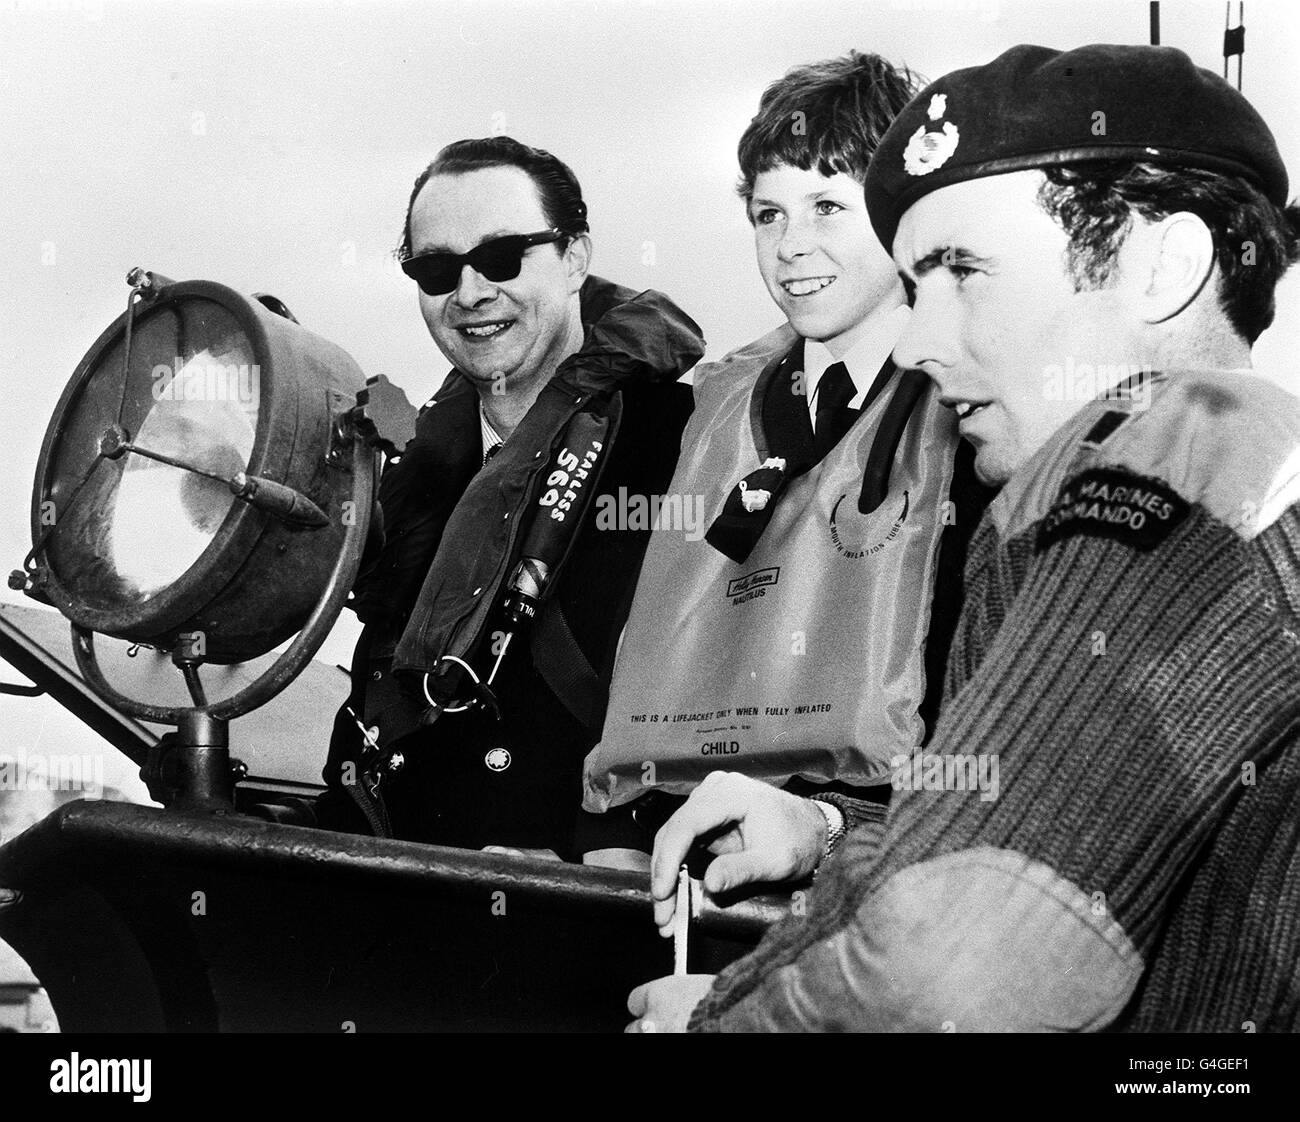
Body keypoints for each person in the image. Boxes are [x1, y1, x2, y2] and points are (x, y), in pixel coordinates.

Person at [629, 42, 1300, 1032]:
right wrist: (827, 827)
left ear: (1165, 264)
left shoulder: (1169, 448)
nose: (913, 339)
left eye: (960, 271)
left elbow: (961, 974)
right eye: (913, 281)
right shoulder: (1217, 475)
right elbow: (1064, 827)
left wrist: (723, 1021)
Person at [580, 51, 993, 863]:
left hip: (874, 863)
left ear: (901, 213)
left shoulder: (972, 418)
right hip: (677, 855)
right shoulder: (703, 415)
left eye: (827, 207)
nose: (791, 247)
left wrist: (835, 830)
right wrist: (611, 838)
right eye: (769, 216)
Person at [315, 137, 704, 860]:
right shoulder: (414, 479)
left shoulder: (685, 445)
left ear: (577, 257)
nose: (468, 294)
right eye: (436, 269)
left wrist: (613, 851)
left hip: (581, 914)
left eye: (501, 258)